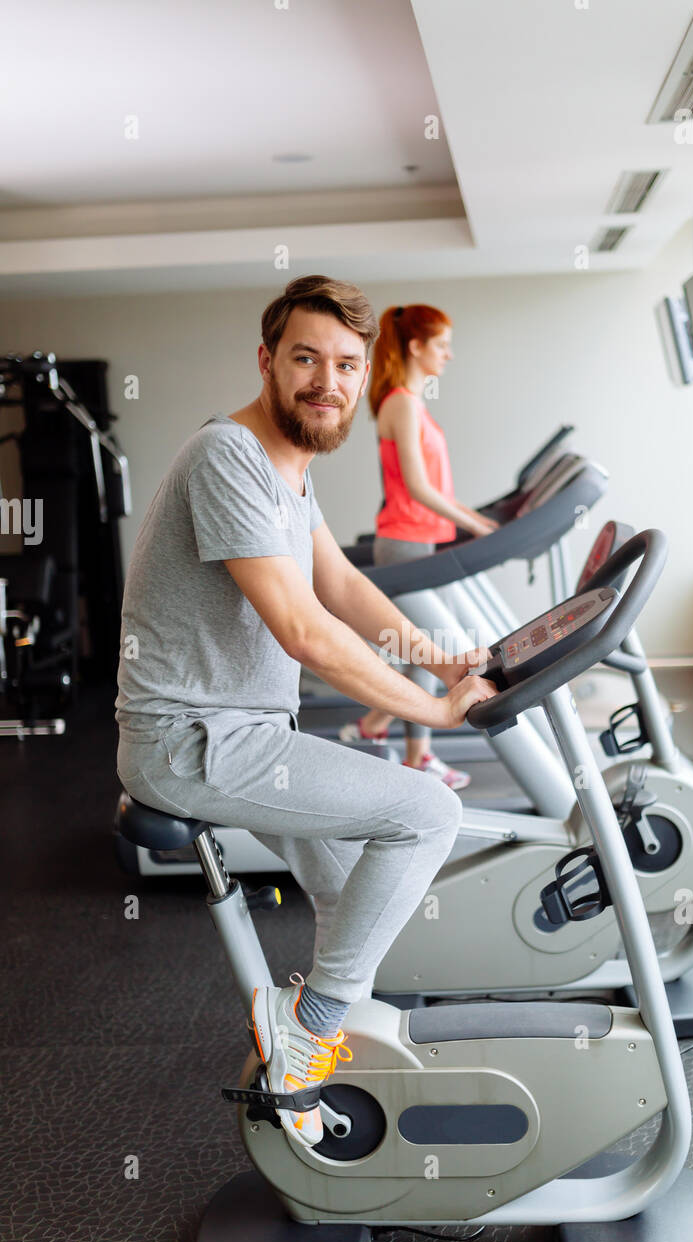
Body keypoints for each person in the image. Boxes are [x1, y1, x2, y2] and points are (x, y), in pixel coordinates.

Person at [115, 275, 496, 1149]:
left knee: (346, 897)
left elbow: (344, 587)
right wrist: (434, 716)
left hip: (246, 734)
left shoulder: (291, 474)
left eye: (346, 366)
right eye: (306, 359)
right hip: (190, 742)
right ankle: (308, 1028)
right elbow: (304, 631)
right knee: (429, 808)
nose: (327, 381)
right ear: (267, 363)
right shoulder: (228, 456)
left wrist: (446, 659)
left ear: (364, 378)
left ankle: (327, 1091)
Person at [338, 304, 498, 790]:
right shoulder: (402, 403)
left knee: (420, 650)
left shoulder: (410, 401)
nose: (448, 355)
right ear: (415, 346)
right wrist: (477, 526)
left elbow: (435, 490)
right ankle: (417, 757)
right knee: (438, 647)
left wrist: (477, 522)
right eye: (442, 345)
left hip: (421, 544)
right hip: (405, 547)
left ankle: (375, 726)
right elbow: (420, 487)